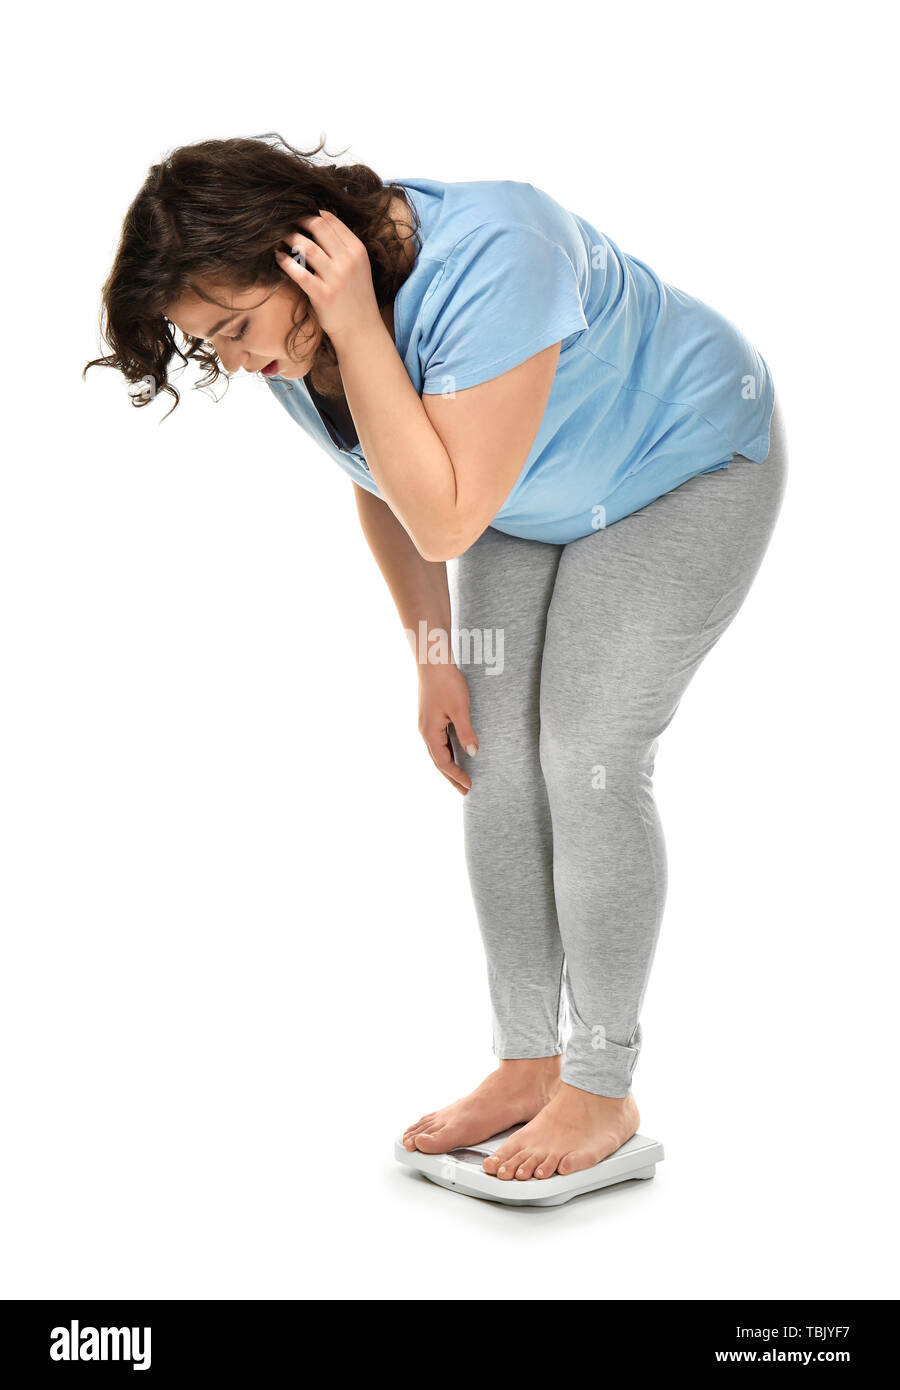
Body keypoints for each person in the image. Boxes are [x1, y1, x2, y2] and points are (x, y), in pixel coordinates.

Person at [86, 133, 787, 1183]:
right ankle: (526, 1061)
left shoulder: (497, 250)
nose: (235, 359)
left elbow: (447, 516)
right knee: (493, 759)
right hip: (518, 492)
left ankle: (600, 1085)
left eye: (234, 328)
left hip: (684, 462)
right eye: (210, 343)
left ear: (303, 256)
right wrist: (433, 658)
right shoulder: (301, 335)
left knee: (588, 755)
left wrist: (362, 320)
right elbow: (381, 476)